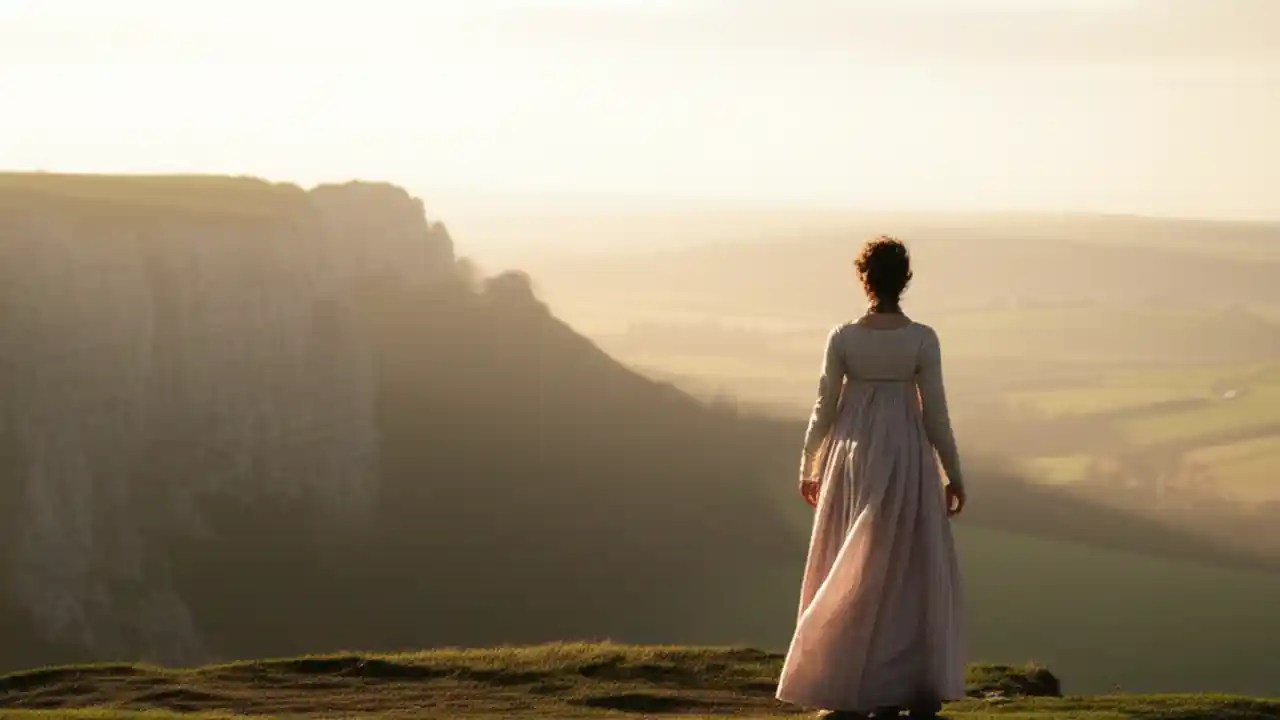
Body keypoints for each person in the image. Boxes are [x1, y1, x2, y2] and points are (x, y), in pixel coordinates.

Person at [775, 237, 967, 719]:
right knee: (904, 568)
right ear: (904, 280)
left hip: (853, 456)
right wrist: (953, 473)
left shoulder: (844, 338)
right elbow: (936, 415)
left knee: (851, 560)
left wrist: (809, 465)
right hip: (905, 454)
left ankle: (847, 681)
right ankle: (902, 683)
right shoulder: (922, 338)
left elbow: (825, 406)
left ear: (865, 279)